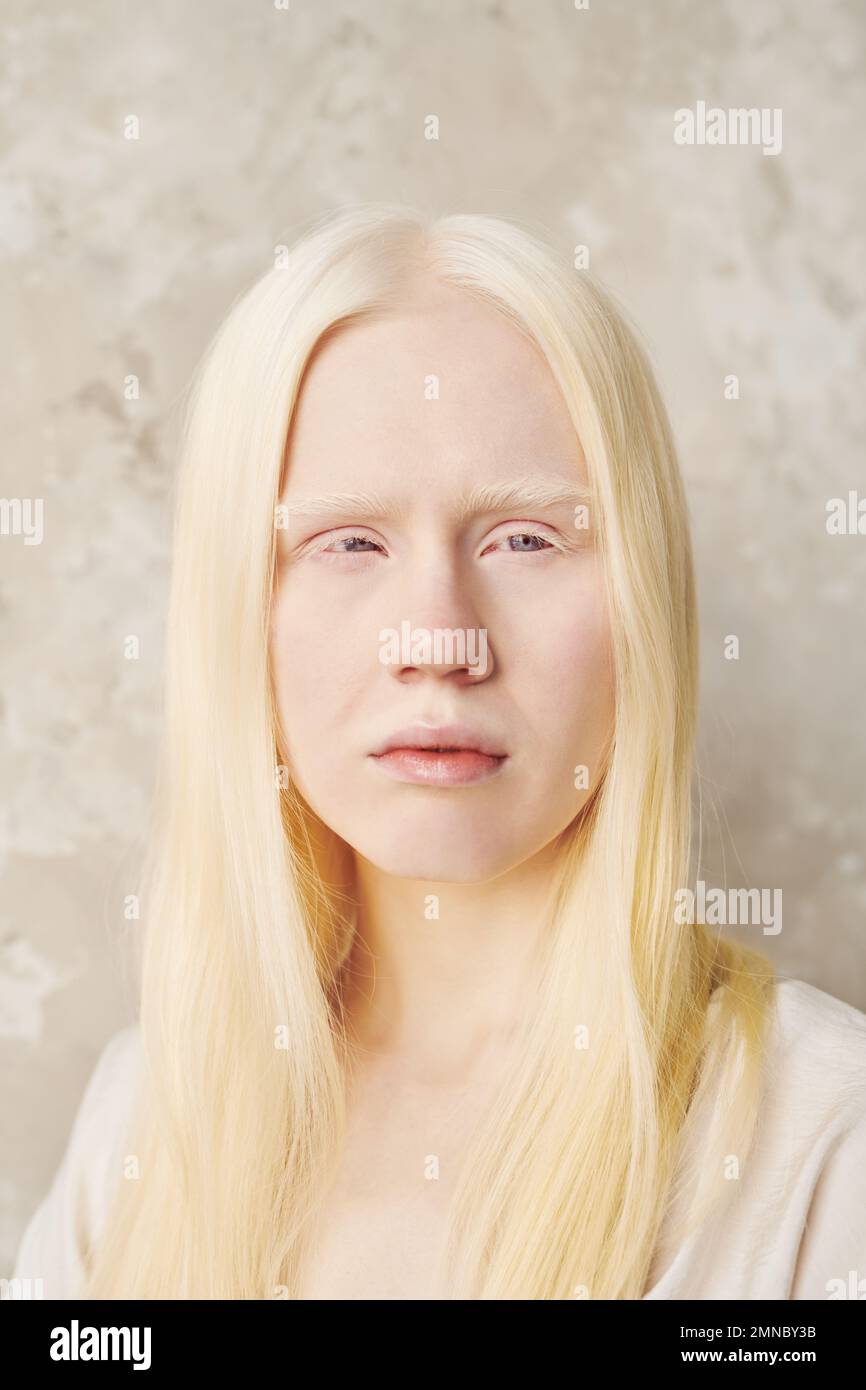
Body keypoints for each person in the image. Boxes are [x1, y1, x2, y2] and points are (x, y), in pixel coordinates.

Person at [12, 204, 866, 1300]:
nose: (437, 639)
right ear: (237, 612)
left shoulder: (822, 1140)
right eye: (348, 541)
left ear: (643, 602)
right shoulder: (146, 1115)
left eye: (523, 538)